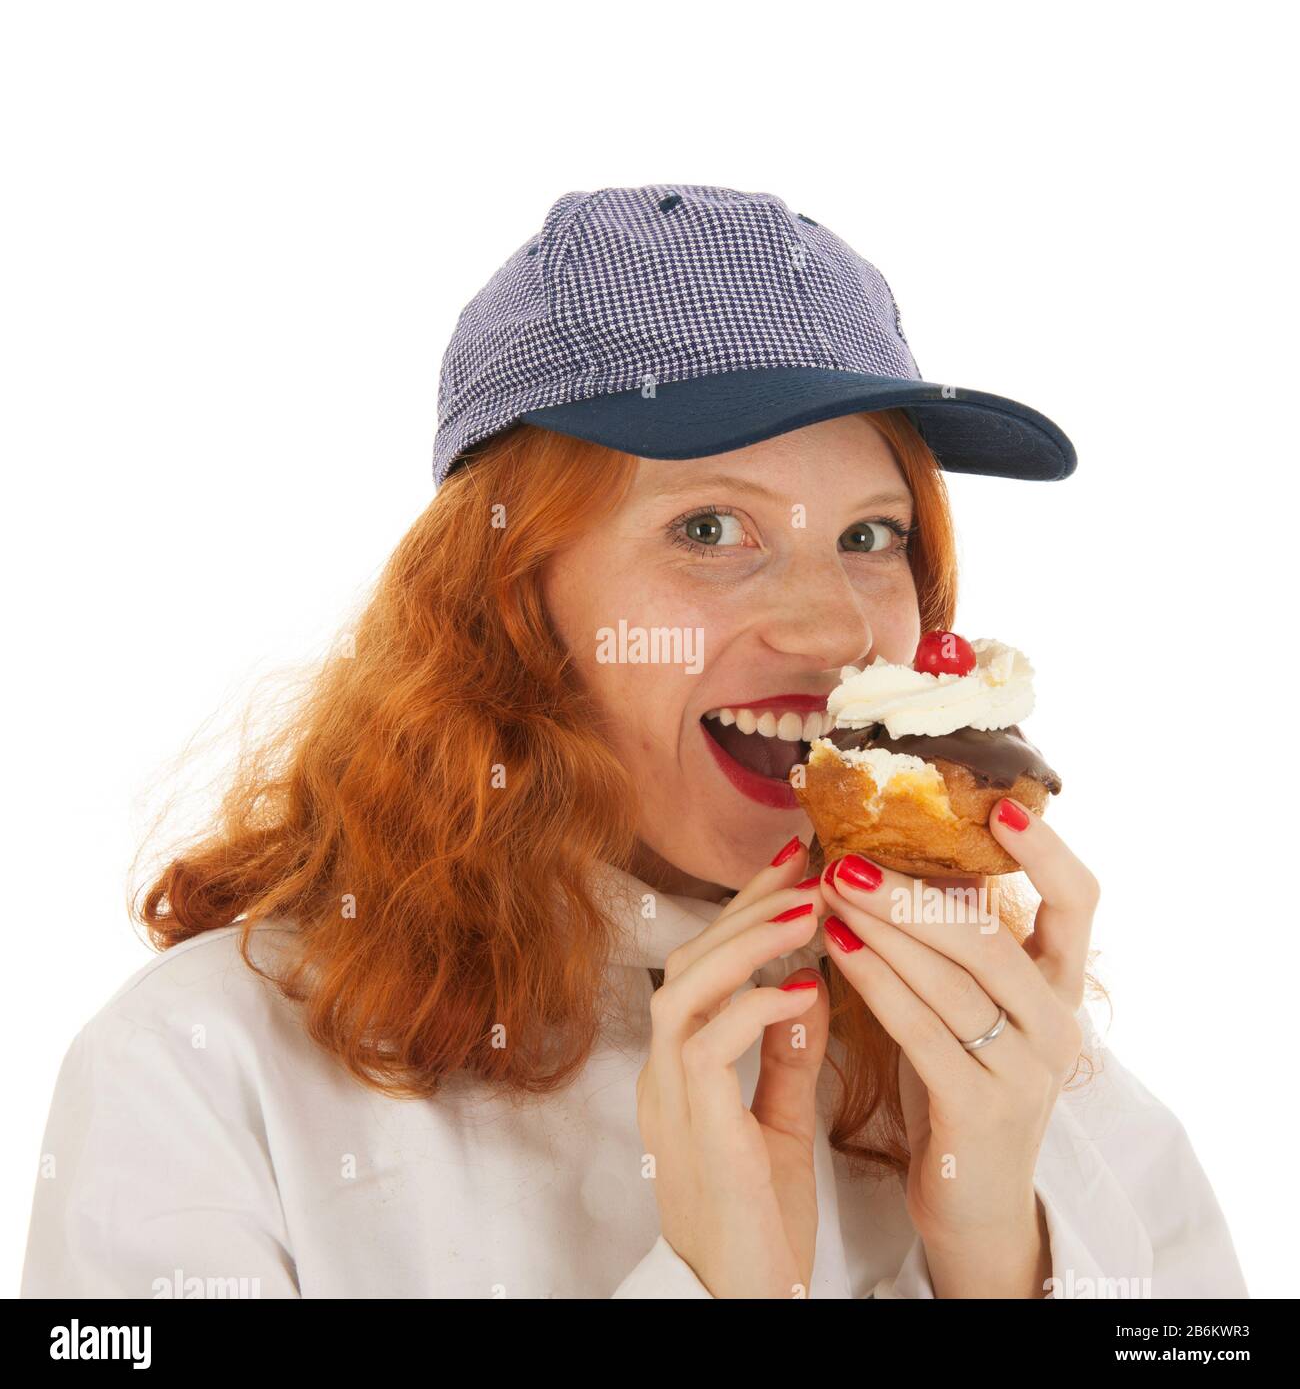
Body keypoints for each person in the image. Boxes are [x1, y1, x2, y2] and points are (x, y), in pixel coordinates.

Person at [21, 186, 1247, 1299]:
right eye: (710, 526)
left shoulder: (1034, 1087)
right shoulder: (204, 1075)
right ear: (505, 603)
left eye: (872, 536)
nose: (834, 631)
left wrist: (1003, 1259)